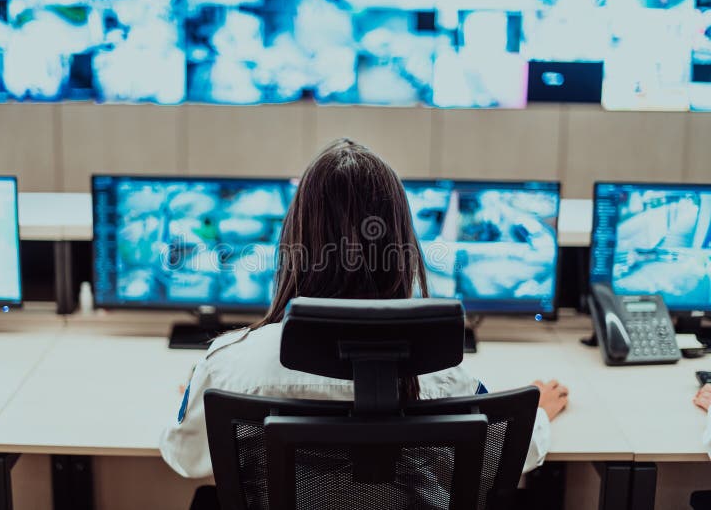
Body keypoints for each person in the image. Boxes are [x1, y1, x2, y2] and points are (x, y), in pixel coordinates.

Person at [160, 138, 569, 480]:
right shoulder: (442, 371)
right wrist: (538, 416)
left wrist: (202, 396)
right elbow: (506, 454)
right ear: (402, 246)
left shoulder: (232, 366)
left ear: (294, 241)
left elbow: (186, 457)